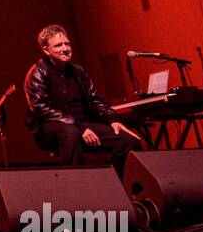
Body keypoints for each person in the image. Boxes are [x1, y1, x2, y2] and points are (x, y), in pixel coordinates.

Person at [23, 24, 142, 171]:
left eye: (67, 44)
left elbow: (94, 99)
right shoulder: (37, 74)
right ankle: (78, 188)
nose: (65, 49)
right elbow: (42, 109)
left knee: (129, 141)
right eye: (58, 45)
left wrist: (113, 119)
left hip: (81, 124)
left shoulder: (77, 70)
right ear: (46, 50)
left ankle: (114, 185)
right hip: (50, 128)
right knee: (70, 133)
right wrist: (79, 127)